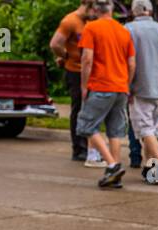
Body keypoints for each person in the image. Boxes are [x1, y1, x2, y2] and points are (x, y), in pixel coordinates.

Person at [77, 0, 136, 188]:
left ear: (95, 9)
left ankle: (112, 164)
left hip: (101, 86)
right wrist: (126, 83)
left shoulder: (91, 28)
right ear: (111, 9)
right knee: (115, 131)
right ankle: (115, 172)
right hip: (120, 88)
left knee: (86, 126)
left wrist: (84, 86)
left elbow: (87, 59)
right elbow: (132, 63)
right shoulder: (124, 31)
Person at [125, 0, 158, 184]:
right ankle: (151, 172)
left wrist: (127, 85)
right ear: (150, 11)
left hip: (139, 89)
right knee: (153, 131)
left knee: (145, 130)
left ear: (134, 12)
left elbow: (128, 62)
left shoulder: (128, 30)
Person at [49, 0, 97, 162]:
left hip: (90, 71)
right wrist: (65, 56)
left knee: (90, 109)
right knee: (78, 109)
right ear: (86, 4)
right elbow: (55, 44)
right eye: (93, 9)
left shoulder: (91, 22)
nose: (95, 13)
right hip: (75, 71)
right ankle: (78, 148)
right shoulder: (70, 21)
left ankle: (88, 145)